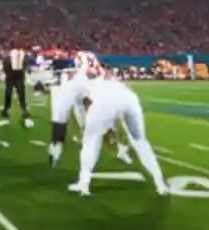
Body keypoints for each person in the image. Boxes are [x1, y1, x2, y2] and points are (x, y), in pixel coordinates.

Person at [68, 69, 168, 197]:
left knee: (90, 143)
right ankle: (160, 184)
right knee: (140, 142)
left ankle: (83, 185)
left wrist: (89, 129)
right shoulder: (105, 78)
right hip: (129, 98)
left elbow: (84, 112)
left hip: (105, 103)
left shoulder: (79, 86)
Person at [0, 47, 33, 128]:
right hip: (11, 76)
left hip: (18, 76)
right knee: (8, 93)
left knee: (21, 94)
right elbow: (5, 66)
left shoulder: (23, 57)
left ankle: (23, 110)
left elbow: (25, 65)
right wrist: (9, 74)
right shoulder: (8, 58)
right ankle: (7, 109)